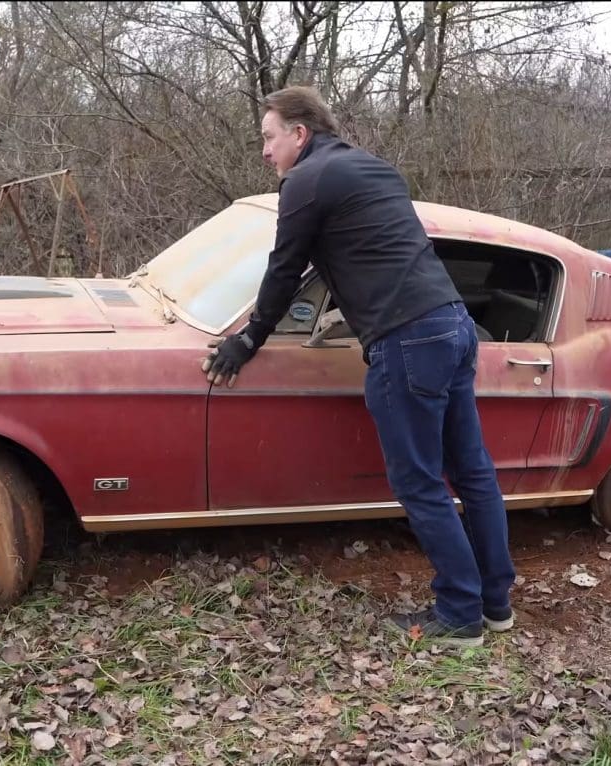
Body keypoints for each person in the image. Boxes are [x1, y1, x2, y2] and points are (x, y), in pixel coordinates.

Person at [201, 86, 517, 647]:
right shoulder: (373, 168)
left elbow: (284, 269)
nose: (265, 152)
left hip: (408, 340)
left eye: (268, 138)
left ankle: (459, 614)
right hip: (454, 326)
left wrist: (248, 338)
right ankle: (494, 603)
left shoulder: (307, 180)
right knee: (472, 472)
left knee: (419, 482)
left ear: (299, 134)